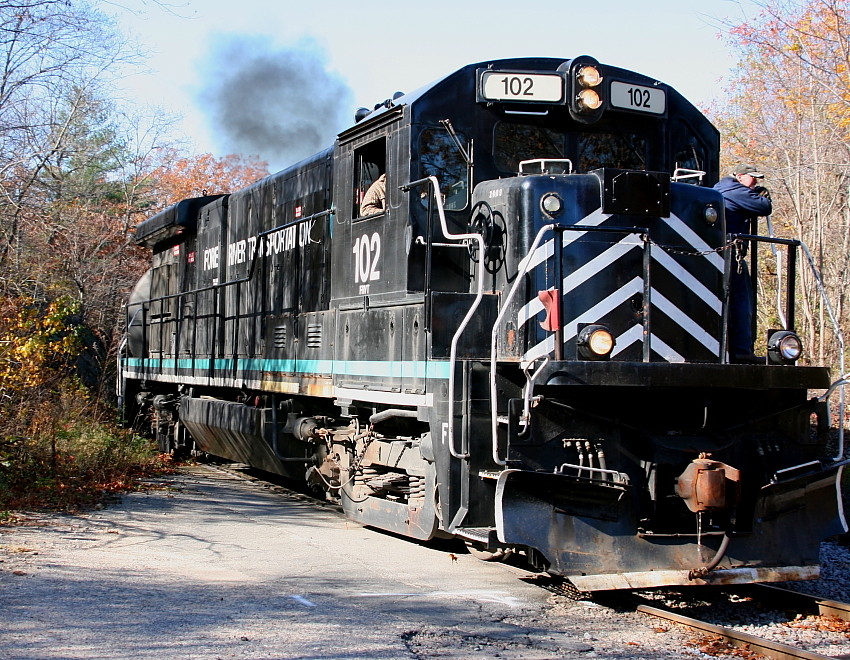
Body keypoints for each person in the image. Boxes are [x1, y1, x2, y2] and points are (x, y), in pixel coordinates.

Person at [713, 164, 773, 364]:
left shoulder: (719, 188)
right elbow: (764, 207)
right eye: (752, 178)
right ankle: (741, 350)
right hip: (731, 255)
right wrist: (762, 196)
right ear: (739, 176)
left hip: (716, 255)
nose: (755, 182)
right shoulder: (734, 191)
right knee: (741, 302)